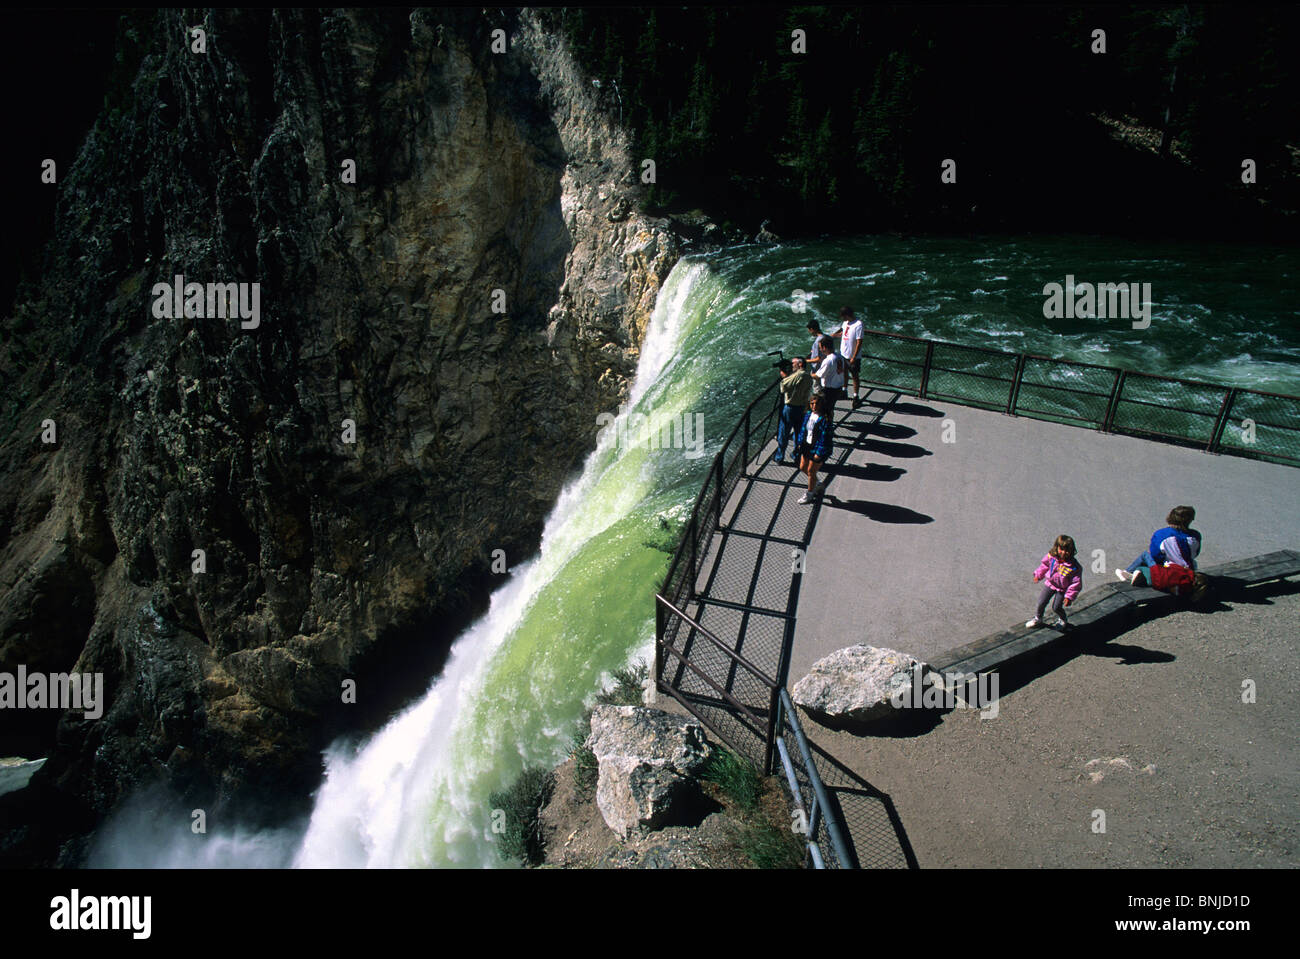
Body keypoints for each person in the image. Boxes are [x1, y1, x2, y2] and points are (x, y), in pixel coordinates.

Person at [1116, 506, 1201, 584]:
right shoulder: (1195, 535)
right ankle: (1136, 573)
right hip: (1189, 570)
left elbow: (1155, 556)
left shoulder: (1161, 534)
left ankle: (1129, 572)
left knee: (1146, 555)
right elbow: (1195, 553)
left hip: (1169, 572)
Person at [1026, 534, 1083, 628]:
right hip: (1050, 584)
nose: (1064, 552)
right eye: (1061, 549)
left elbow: (1076, 583)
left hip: (1062, 589)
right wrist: (1038, 575)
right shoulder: (1051, 557)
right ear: (1057, 547)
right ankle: (1038, 618)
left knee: (1056, 607)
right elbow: (1044, 566)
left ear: (1072, 551)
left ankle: (1063, 619)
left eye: (1067, 550)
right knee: (1041, 602)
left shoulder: (1074, 567)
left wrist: (1069, 597)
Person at [793, 394, 833, 504]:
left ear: (821, 405)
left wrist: (819, 452)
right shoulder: (808, 414)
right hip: (807, 445)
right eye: (812, 403)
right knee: (802, 467)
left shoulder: (824, 419)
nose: (814, 406)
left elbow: (825, 437)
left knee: (811, 471)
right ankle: (817, 483)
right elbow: (803, 429)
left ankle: (810, 493)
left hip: (817, 448)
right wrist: (800, 443)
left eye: (816, 404)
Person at [775, 357, 812, 465]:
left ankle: (779, 457)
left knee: (784, 433)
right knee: (798, 433)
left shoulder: (798, 375)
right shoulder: (808, 376)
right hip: (801, 407)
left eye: (793, 363)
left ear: (800, 364)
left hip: (790, 407)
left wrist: (784, 376)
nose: (791, 366)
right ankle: (796, 455)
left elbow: (783, 387)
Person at [831, 306, 865, 407]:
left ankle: (856, 396)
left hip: (852, 356)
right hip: (844, 353)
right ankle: (844, 390)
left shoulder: (859, 324)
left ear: (847, 315)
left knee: (854, 376)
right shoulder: (845, 323)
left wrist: (854, 357)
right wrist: (834, 335)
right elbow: (843, 332)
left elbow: (859, 341)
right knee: (844, 373)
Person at [811, 335, 847, 419]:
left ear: (825, 347)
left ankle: (826, 428)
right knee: (830, 408)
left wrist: (809, 375)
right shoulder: (839, 357)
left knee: (823, 410)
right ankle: (829, 424)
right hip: (838, 387)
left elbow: (819, 375)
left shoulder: (828, 360)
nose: (820, 349)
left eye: (820, 347)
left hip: (828, 390)